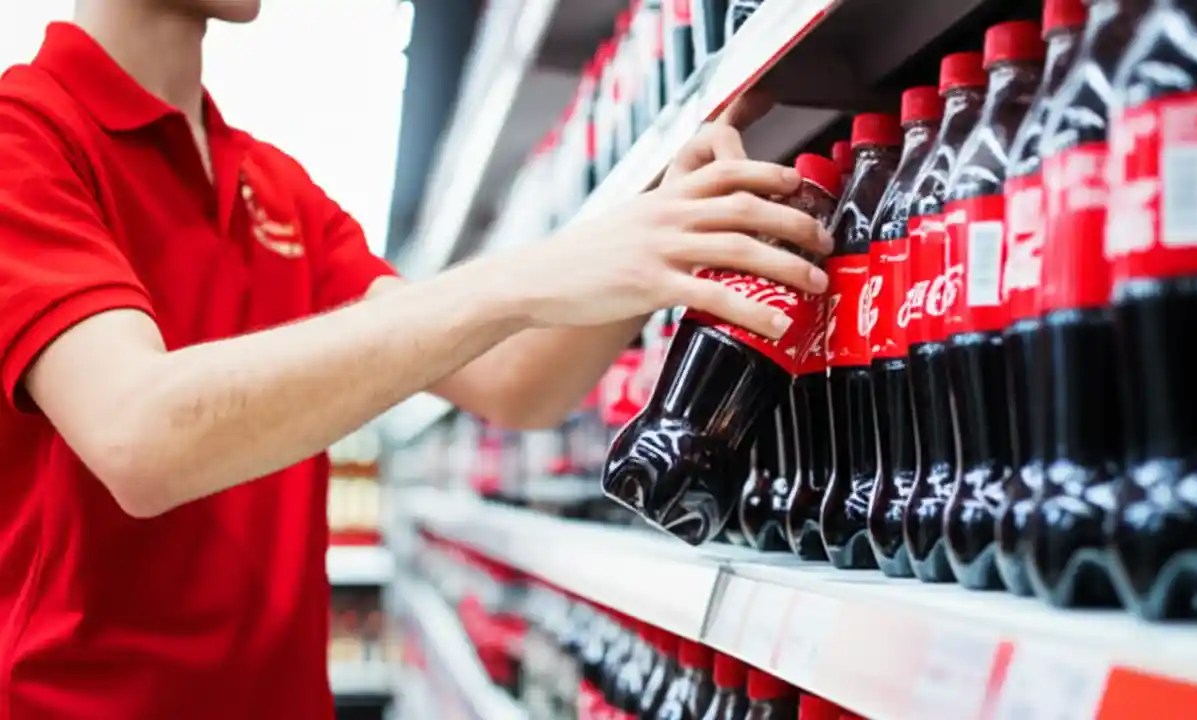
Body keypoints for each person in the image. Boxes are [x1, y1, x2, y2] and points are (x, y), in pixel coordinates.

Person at [0, 0, 832, 717]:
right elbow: (140, 439)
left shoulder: (273, 186)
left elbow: (514, 384)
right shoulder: (23, 142)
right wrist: (533, 272)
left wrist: (662, 223)